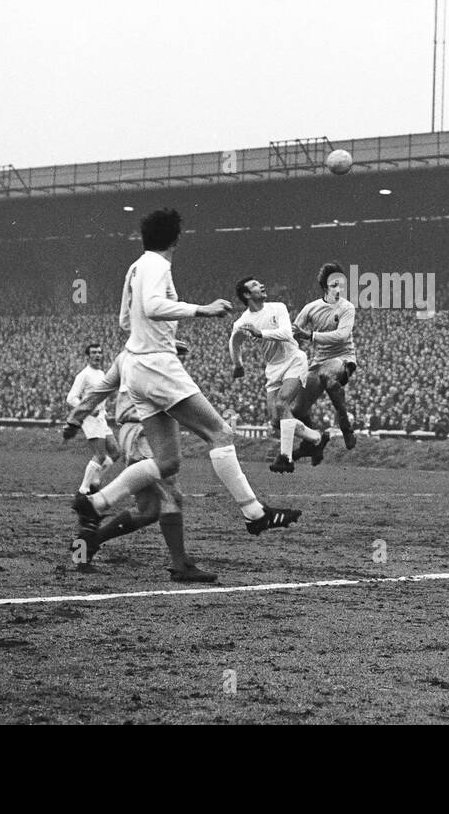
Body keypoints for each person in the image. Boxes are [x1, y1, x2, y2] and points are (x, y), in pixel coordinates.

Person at [70, 209, 301, 546]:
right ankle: (254, 513)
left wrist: (160, 336)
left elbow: (125, 321)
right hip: (157, 366)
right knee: (220, 433)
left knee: (166, 461)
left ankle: (94, 503)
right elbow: (151, 307)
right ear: (175, 237)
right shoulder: (158, 266)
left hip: (135, 366)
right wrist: (201, 310)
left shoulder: (135, 267)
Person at [63, 341, 215, 582]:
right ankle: (180, 565)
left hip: (132, 431)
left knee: (149, 510)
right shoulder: (149, 356)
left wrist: (75, 419)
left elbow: (101, 389)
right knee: (170, 494)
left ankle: (89, 542)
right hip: (145, 431)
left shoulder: (125, 356)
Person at [230, 276, 330, 473]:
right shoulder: (242, 322)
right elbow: (234, 342)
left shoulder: (278, 307)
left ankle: (286, 458)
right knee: (276, 420)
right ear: (247, 294)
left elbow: (287, 333)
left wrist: (261, 333)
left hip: (294, 359)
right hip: (273, 368)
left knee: (281, 403)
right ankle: (317, 439)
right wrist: (238, 364)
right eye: (256, 285)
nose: (262, 285)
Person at [292, 263, 359, 449]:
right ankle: (317, 438)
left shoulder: (347, 308)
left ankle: (346, 426)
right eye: (334, 285)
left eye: (341, 284)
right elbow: (293, 332)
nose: (339, 289)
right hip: (318, 362)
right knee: (297, 410)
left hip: (344, 359)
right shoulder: (311, 308)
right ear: (324, 287)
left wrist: (310, 335)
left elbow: (342, 336)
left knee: (327, 375)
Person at [66, 342, 114, 495]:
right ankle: (83, 490)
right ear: (87, 357)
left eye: (99, 352)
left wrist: (103, 410)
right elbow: (71, 398)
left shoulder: (101, 373)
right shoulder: (84, 375)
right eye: (93, 353)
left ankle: (95, 481)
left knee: (116, 452)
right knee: (100, 455)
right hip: (90, 418)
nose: (97, 355)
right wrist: (87, 409)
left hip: (101, 417)